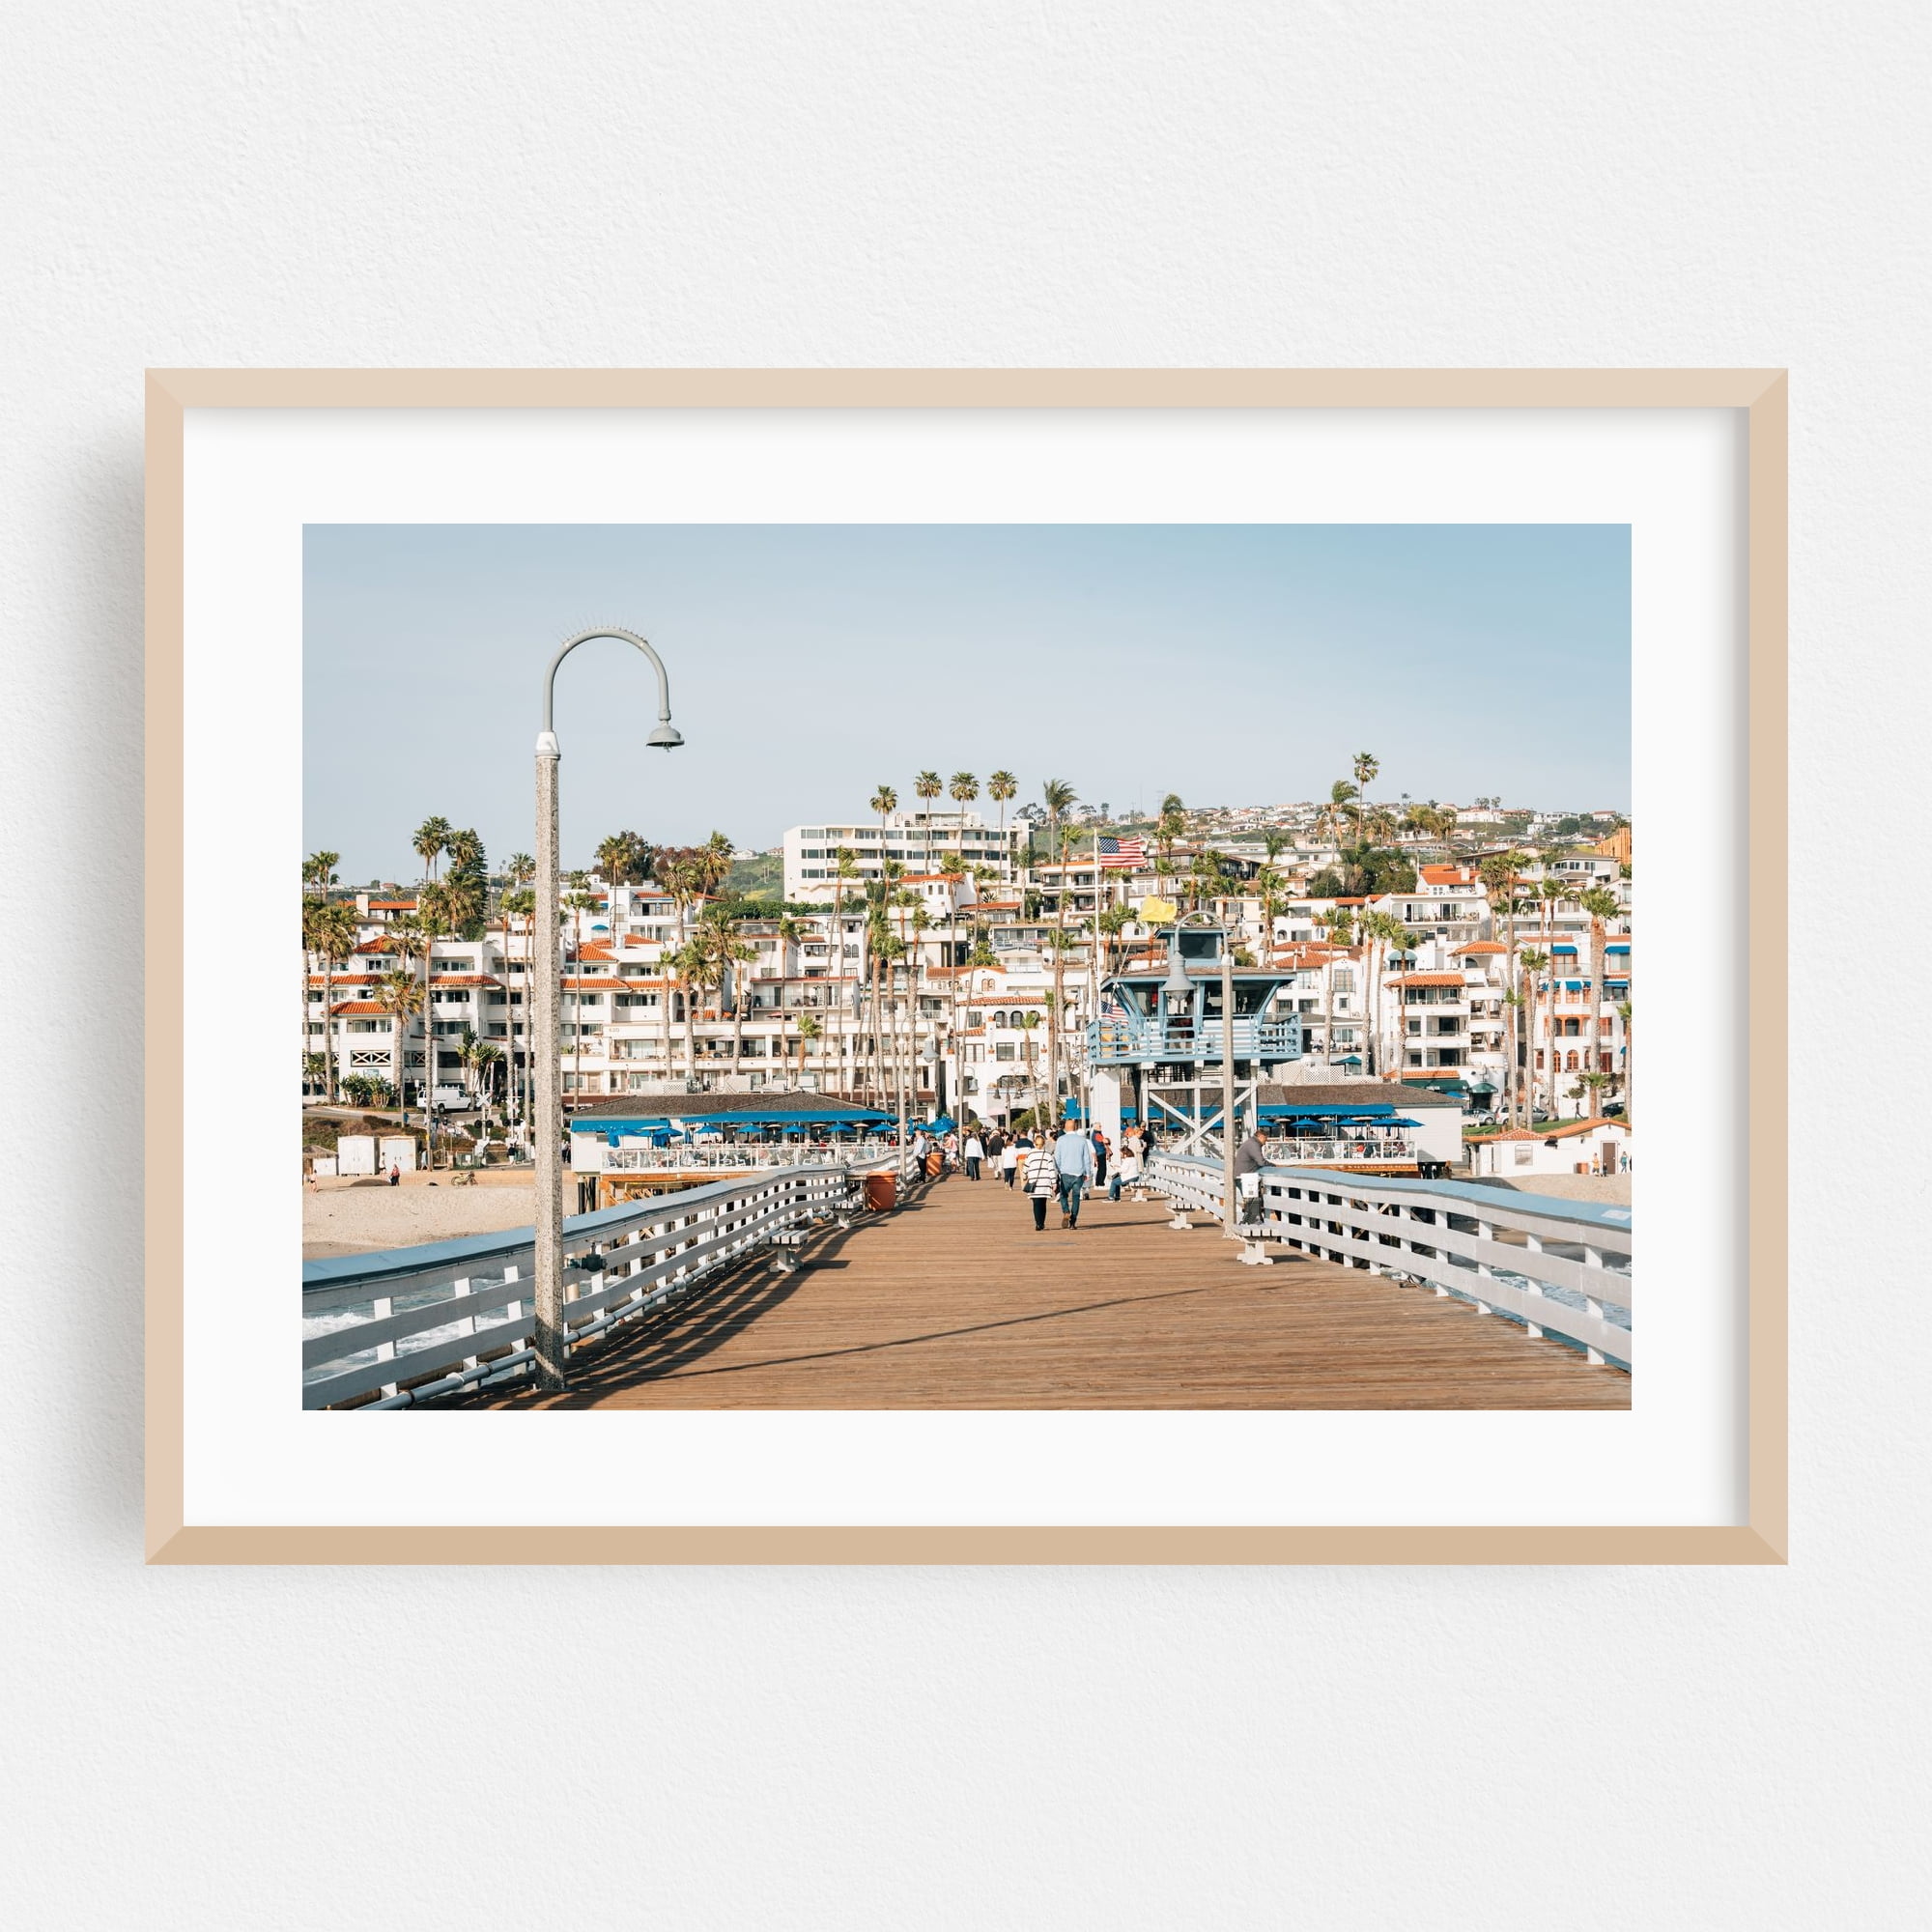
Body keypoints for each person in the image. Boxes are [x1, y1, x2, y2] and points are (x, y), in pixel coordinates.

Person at [1053, 1122, 1096, 1228]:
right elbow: (1086, 1158)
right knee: (1076, 1197)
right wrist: (1087, 1172)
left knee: (1063, 1195)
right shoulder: (1082, 1140)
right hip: (1079, 1172)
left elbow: (1057, 1157)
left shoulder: (1061, 1140)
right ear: (1076, 1128)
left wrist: (1057, 1171)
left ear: (1064, 1128)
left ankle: (1066, 1211)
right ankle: (1073, 1222)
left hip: (1065, 1172)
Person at [1021, 1133, 1060, 1231]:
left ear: (1034, 1143)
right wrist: (1054, 1183)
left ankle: (1038, 1223)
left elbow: (1025, 1168)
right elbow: (1051, 1170)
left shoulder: (1030, 1154)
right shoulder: (1047, 1155)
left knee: (1036, 1204)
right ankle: (1042, 1223)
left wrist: (1025, 1175)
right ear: (1044, 1144)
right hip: (1045, 1182)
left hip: (1034, 1182)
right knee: (1043, 1204)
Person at [1234, 1126, 1268, 1222]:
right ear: (1261, 1137)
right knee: (1252, 1202)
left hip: (1243, 1176)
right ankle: (1250, 1222)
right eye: (1265, 1139)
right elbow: (1261, 1162)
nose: (1265, 1142)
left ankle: (1248, 1221)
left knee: (1251, 1202)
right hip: (1245, 1177)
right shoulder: (1254, 1145)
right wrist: (1273, 1165)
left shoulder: (1250, 1143)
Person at [1111, 1138, 1139, 1202]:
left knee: (1113, 1182)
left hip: (1130, 1176)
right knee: (1116, 1182)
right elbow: (1126, 1168)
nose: (1121, 1155)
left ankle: (1110, 1197)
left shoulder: (1127, 1160)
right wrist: (1118, 1167)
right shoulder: (1132, 1158)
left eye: (1121, 1153)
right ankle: (1117, 1197)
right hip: (1135, 1176)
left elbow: (1124, 1170)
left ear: (1125, 1154)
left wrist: (1115, 1168)